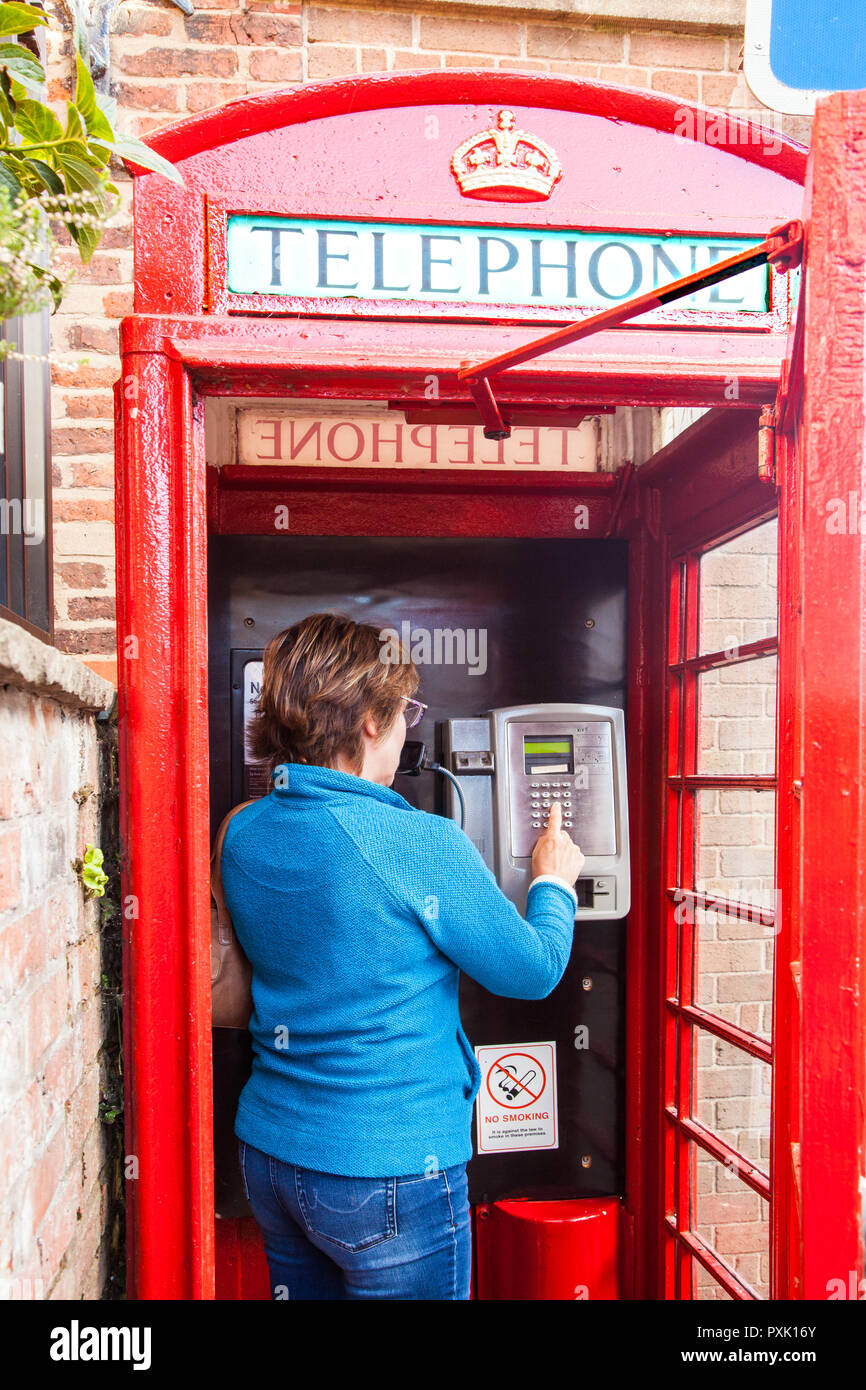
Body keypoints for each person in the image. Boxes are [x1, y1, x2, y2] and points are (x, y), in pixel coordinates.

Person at [220, 611, 585, 1300]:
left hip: (272, 1155)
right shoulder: (419, 842)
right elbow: (534, 971)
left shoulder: (243, 832)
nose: (408, 731)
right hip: (390, 1169)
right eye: (404, 713)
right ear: (368, 721)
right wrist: (553, 882)